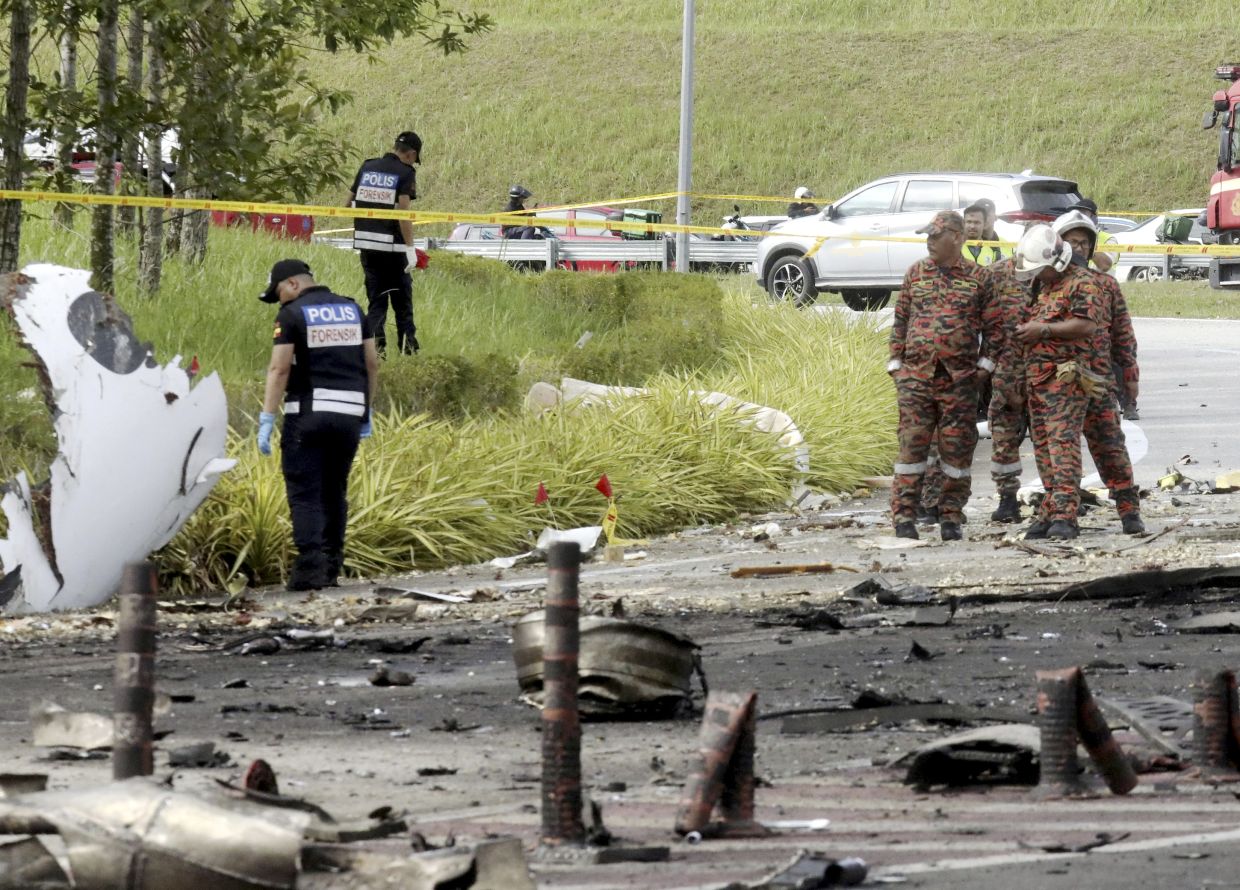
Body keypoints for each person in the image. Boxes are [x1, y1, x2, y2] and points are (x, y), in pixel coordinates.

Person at [256, 259, 379, 590]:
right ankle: (331, 565)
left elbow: (280, 369)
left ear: (294, 284)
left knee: (305, 492)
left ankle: (310, 568)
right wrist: (365, 410)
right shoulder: (352, 309)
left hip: (308, 416)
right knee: (334, 490)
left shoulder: (292, 314)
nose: (279, 300)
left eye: (279, 292)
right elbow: (371, 363)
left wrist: (267, 417)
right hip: (349, 416)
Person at [888, 210, 995, 542]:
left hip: (959, 380)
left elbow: (995, 328)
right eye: (928, 236)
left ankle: (951, 515)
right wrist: (896, 364)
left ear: (957, 238)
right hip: (916, 378)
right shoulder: (916, 273)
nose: (929, 242)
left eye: (936, 236)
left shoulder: (979, 277)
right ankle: (904, 517)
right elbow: (901, 319)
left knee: (956, 451)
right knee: (911, 450)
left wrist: (984, 367)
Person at [1051, 211, 1146, 534]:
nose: (1078, 248)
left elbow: (1123, 335)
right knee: (1061, 449)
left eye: (1084, 242)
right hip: (1059, 384)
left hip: (1098, 381)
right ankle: (1062, 515)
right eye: (1071, 242)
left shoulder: (1106, 284)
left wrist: (1130, 376)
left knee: (1111, 447)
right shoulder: (1046, 283)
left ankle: (1129, 510)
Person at [1012, 224, 1105, 541]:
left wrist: (1043, 330)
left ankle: (1066, 516)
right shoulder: (1042, 286)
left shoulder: (1082, 282)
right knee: (1043, 449)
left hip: (1065, 379)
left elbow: (1086, 325)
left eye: (1043, 269)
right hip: (1037, 380)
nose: (1039, 274)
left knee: (1062, 447)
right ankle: (1050, 510)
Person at [981, 218, 1036, 523]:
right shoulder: (997, 274)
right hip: (1007, 370)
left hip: (1047, 370)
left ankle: (1062, 497)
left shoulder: (1057, 275)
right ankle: (1007, 499)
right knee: (1003, 436)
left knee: (1053, 438)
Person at [346, 131, 421, 356]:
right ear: (411, 154)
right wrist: (410, 249)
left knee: (376, 302)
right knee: (402, 303)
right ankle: (408, 351)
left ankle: (376, 353)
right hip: (393, 249)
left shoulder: (367, 167)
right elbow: (403, 215)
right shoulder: (405, 172)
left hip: (367, 247)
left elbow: (347, 204)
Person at [1066, 198, 1117, 273]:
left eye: (1083, 214)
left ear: (1094, 218)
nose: (1078, 218)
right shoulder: (1069, 237)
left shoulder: (1109, 239)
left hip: (1101, 280)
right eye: (1076, 214)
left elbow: (1105, 265)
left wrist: (1087, 250)